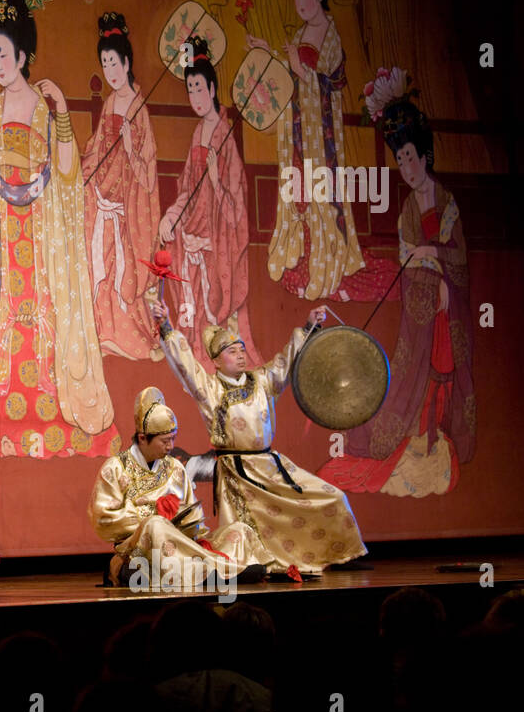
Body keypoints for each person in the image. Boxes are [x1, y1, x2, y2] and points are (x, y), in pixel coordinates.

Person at [0, 0, 117, 458]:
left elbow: (65, 171)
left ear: (22, 55)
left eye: (3, 53)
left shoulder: (39, 105)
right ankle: (7, 403)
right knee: (8, 314)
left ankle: (45, 406)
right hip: (4, 231)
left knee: (39, 314)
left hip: (38, 231)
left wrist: (62, 109)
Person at [319, 74, 474, 495]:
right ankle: (418, 439)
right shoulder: (408, 206)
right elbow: (409, 254)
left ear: (424, 156)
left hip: (447, 302)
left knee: (444, 367)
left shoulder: (445, 202)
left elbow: (456, 253)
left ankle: (433, 437)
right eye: (399, 160)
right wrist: (424, 260)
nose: (406, 167)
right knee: (419, 371)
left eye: (409, 157)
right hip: (424, 302)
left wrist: (434, 261)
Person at [149, 298, 368, 576]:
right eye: (231, 351)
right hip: (238, 474)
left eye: (242, 350)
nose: (240, 355)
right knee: (245, 534)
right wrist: (166, 325)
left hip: (270, 466)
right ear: (216, 361)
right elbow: (185, 365)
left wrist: (309, 326)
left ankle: (341, 553)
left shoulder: (262, 380)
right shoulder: (210, 389)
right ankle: (260, 565)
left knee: (331, 496)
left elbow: (287, 360)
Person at [252, 0, 394, 301]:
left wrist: (303, 71)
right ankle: (300, 256)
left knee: (319, 196)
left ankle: (326, 260)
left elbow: (328, 83)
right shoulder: (299, 33)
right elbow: (289, 75)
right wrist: (271, 55)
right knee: (297, 195)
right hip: (300, 132)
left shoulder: (330, 34)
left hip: (322, 139)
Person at [157, 35, 261, 372]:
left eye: (200, 88)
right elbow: (187, 187)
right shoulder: (198, 133)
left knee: (212, 302)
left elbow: (235, 206)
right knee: (168, 247)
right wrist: (173, 214)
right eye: (190, 89)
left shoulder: (225, 136)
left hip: (217, 236)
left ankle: (214, 346)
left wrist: (216, 180)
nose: (195, 96)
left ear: (213, 90)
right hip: (193, 225)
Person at [91, 386, 249, 586]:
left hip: (181, 543)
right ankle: (216, 571)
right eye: (165, 441)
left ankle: (210, 567)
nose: (171, 446)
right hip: (137, 550)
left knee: (240, 530)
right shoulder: (115, 468)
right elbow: (104, 518)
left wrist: (189, 525)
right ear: (142, 438)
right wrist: (154, 514)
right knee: (156, 525)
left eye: (173, 439)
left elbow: (194, 520)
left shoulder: (175, 468)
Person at [82, 12, 162, 362]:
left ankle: (135, 336)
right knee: (99, 262)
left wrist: (130, 148)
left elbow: (147, 169)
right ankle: (103, 331)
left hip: (128, 205)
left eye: (114, 62)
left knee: (125, 270)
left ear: (127, 62)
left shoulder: (139, 107)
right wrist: (86, 175)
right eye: (105, 63)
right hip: (103, 195)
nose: (111, 70)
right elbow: (98, 147)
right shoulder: (111, 102)